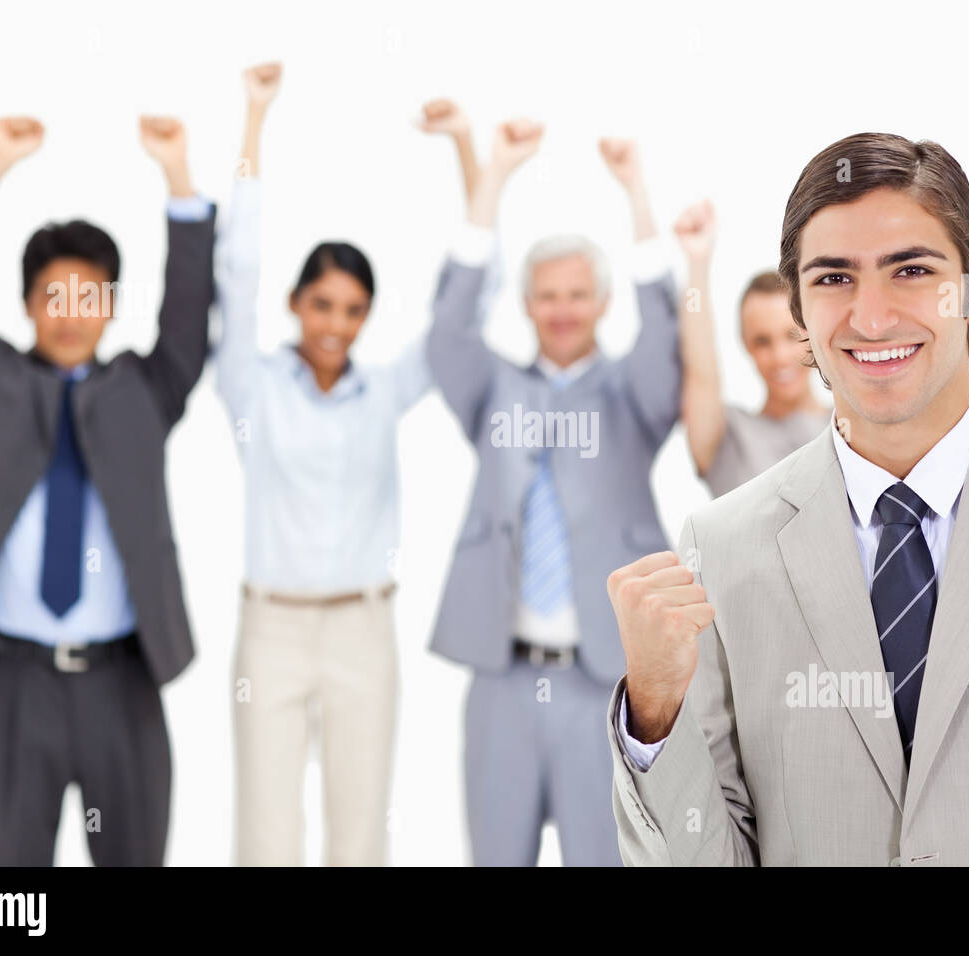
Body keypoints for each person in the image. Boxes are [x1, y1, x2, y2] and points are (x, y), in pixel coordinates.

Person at [605, 132, 969, 866]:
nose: (873, 317)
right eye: (833, 278)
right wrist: (655, 713)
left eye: (910, 270)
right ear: (797, 312)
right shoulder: (721, 547)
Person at [0, 116, 215, 865]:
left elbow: (186, 313)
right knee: (8, 889)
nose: (71, 316)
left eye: (90, 298)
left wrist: (177, 178)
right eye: (55, 296)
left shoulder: (146, 388)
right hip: (14, 683)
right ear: (27, 304)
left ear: (111, 306)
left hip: (124, 679)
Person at [213, 64, 482, 866]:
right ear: (297, 303)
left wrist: (468, 152)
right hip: (273, 627)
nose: (336, 324)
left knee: (360, 831)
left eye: (354, 309)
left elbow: (459, 313)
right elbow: (236, 270)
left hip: (364, 626)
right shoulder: (251, 387)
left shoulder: (384, 391)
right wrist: (254, 115)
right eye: (323, 304)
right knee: (265, 830)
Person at [426, 120, 680, 866]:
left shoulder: (631, 395)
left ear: (602, 303)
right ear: (527, 305)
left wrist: (635, 191)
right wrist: (495, 176)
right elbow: (446, 329)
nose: (562, 309)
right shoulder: (493, 387)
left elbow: (666, 337)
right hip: (501, 677)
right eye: (547, 296)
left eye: (577, 294)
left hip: (601, 681)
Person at [674, 199, 829, 497]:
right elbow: (701, 374)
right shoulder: (729, 438)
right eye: (762, 341)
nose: (780, 356)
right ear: (745, 346)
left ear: (813, 333)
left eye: (791, 335)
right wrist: (697, 262)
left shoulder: (851, 428)